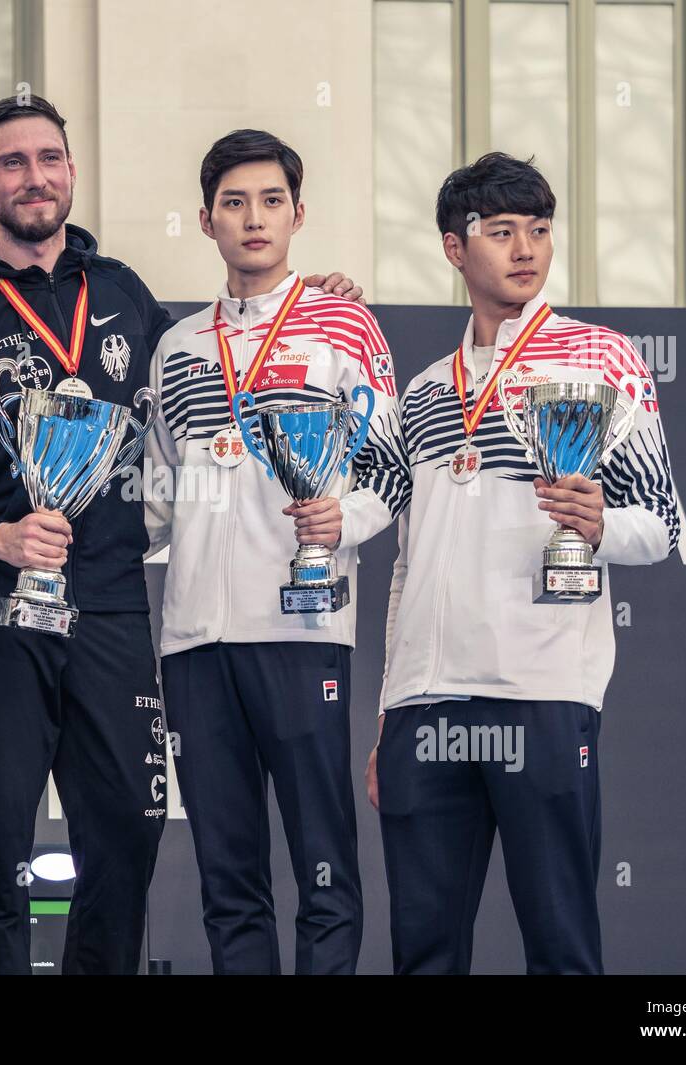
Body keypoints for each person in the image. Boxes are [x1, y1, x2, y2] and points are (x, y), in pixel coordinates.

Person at [0, 94, 364, 975]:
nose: (35, 177)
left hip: (107, 608)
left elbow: (227, 347)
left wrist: (313, 295)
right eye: (13, 162)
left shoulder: (130, 298)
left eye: (50, 159)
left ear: (72, 173)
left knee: (130, 835)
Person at [366, 153, 679, 974]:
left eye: (538, 230)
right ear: (452, 247)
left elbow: (663, 523)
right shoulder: (425, 391)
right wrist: (387, 710)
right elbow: (407, 559)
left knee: (561, 946)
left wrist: (602, 523)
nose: (525, 248)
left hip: (542, 695)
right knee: (423, 953)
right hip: (426, 704)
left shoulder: (602, 359)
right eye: (500, 231)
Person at [144, 130, 410, 974]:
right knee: (228, 877)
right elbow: (155, 493)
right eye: (233, 202)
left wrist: (347, 517)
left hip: (303, 629)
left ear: (298, 214)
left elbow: (393, 467)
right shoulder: (177, 346)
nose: (252, 218)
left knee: (323, 867)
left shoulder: (344, 324)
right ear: (204, 220)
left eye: (269, 201)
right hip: (193, 640)